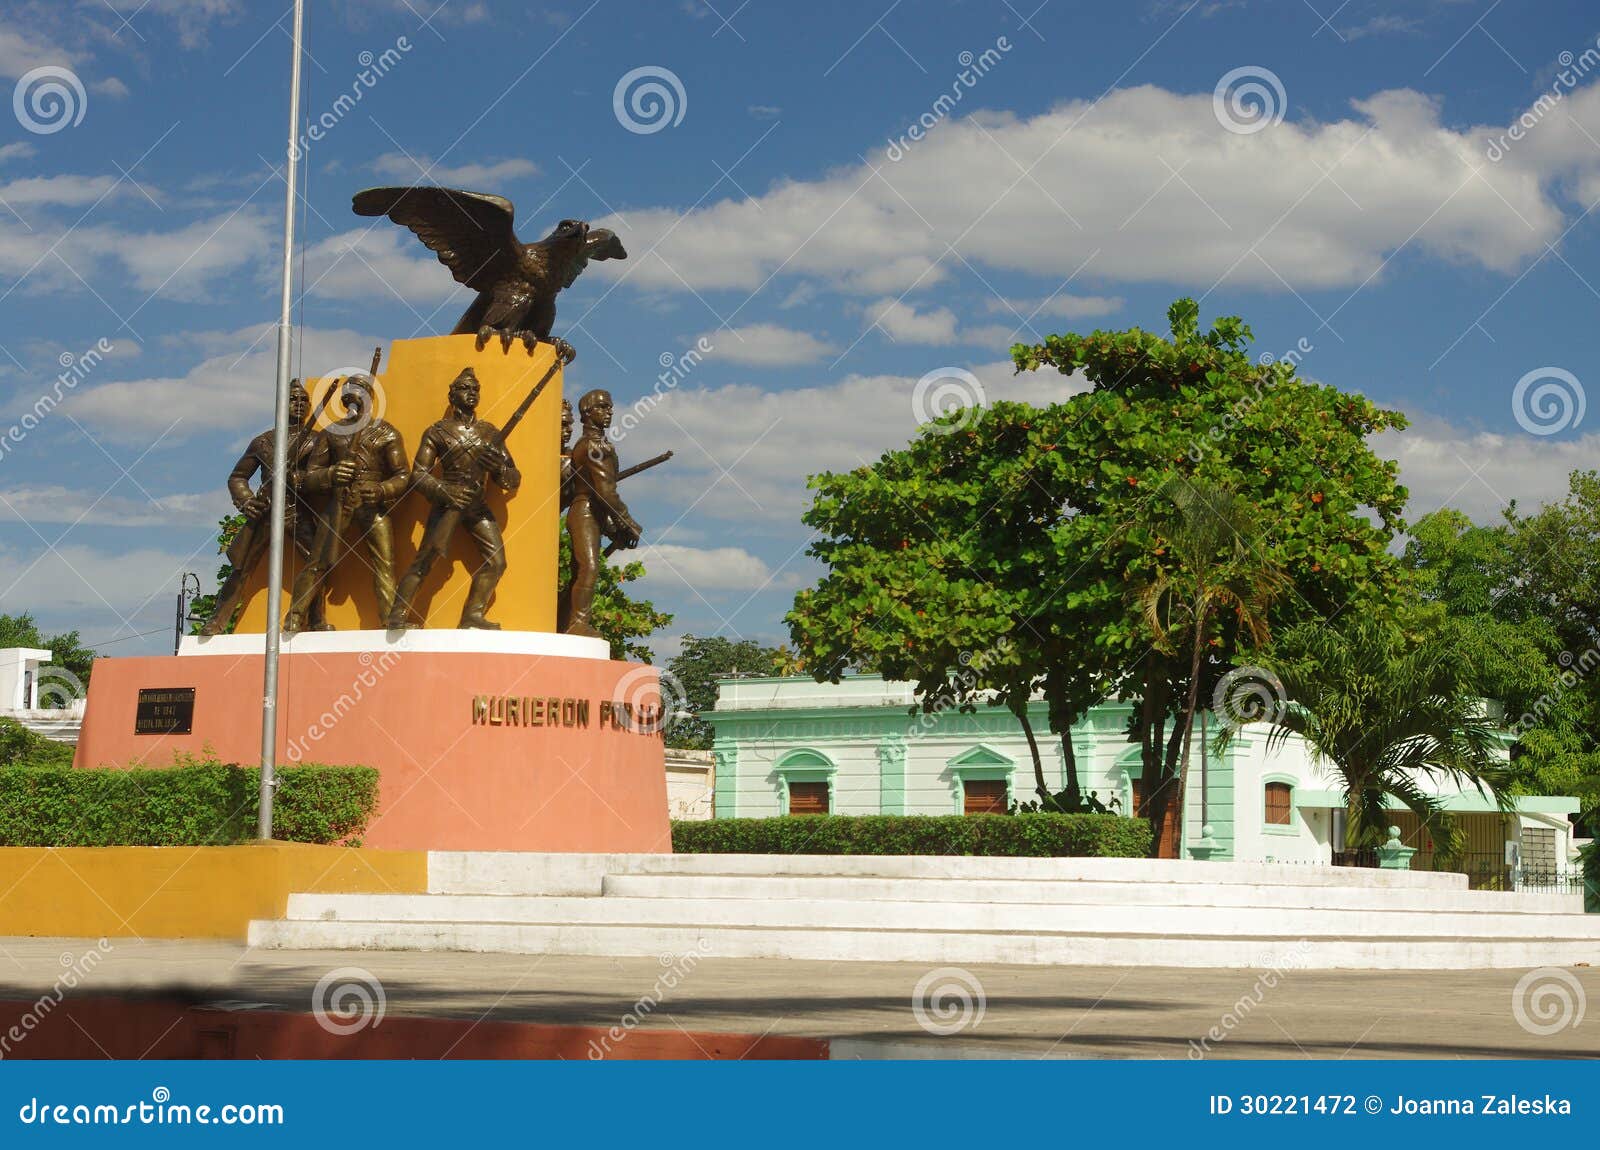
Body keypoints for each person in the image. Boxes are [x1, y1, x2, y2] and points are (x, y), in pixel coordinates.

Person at [386, 367, 521, 630]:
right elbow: (419, 475)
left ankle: (473, 615)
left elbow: (513, 478)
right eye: (465, 389)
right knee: (427, 558)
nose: (472, 393)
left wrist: (499, 469)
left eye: (475, 390)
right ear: (452, 395)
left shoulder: (491, 433)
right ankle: (397, 614)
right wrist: (447, 492)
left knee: (497, 562)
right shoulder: (437, 431)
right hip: (447, 504)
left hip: (477, 507)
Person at [200, 380, 327, 636]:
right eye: (294, 400)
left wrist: (300, 480)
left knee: (316, 563)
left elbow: (323, 477)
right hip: (266, 511)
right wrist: (247, 501)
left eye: (304, 401)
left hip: (298, 509)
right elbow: (237, 477)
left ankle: (316, 619)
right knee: (241, 567)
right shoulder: (263, 442)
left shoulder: (318, 440)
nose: (300, 405)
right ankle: (217, 621)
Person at [284, 374, 409, 631]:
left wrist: (383, 489)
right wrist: (331, 474)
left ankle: (390, 618)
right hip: (339, 502)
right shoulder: (332, 433)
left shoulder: (386, 432)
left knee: (385, 563)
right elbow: (307, 477)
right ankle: (295, 617)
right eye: (350, 391)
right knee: (317, 561)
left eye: (361, 390)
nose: (355, 396)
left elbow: (403, 474)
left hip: (372, 503)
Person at [564, 388, 641, 637]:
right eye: (602, 407)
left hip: (594, 513)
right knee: (589, 567)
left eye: (609, 407)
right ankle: (577, 623)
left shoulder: (599, 444)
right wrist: (627, 522)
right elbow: (605, 492)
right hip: (585, 511)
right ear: (586, 413)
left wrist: (613, 528)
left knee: (583, 570)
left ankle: (570, 621)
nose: (609, 412)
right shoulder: (592, 446)